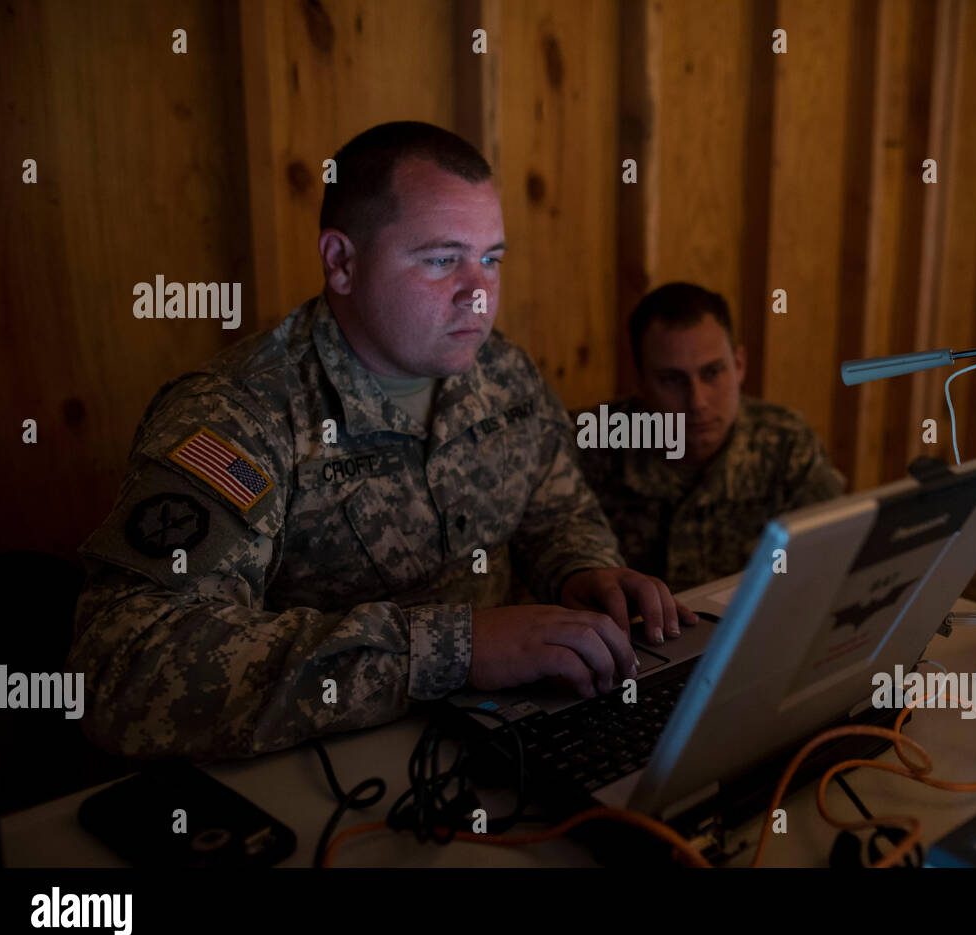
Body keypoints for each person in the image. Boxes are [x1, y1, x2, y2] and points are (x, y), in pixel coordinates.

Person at [69, 122, 695, 762]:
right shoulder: (241, 414)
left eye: (492, 259)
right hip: (326, 768)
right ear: (341, 261)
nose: (479, 295)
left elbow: (558, 514)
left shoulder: (501, 371)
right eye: (442, 259)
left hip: (508, 735)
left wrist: (583, 571)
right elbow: (123, 666)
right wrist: (454, 648)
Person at [575, 282, 845, 592]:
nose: (697, 401)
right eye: (672, 380)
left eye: (712, 372)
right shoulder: (591, 443)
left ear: (739, 365)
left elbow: (833, 560)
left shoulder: (785, 443)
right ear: (639, 381)